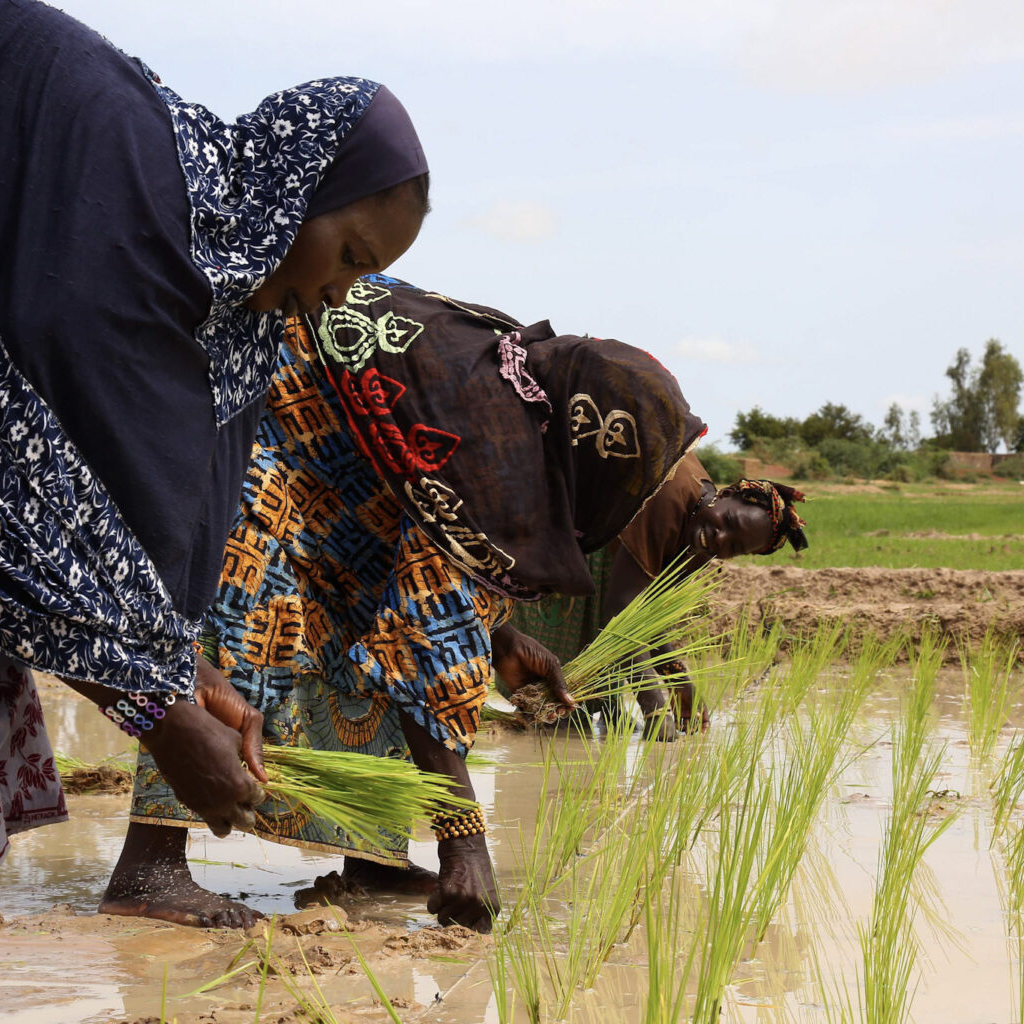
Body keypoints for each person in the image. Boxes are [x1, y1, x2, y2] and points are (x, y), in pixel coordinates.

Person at [0, 0, 428, 1020]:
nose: (338, 296)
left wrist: (181, 665)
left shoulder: (206, 266)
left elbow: (106, 501)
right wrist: (153, 708)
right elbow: (3, 480)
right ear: (296, 188)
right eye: (353, 256)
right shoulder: (130, 203)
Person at [103, 277, 709, 933]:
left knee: (372, 627)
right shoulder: (495, 447)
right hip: (246, 428)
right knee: (247, 611)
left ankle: (373, 857)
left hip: (326, 471)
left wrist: (501, 637)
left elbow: (424, 566)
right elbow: (429, 642)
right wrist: (465, 845)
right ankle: (147, 868)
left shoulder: (514, 399)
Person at [509, 455, 808, 739]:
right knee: (563, 690)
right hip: (562, 520)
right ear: (726, 494)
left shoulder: (703, 538)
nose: (721, 538)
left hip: (607, 555)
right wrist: (654, 707)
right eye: (729, 521)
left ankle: (594, 712)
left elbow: (647, 615)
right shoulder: (672, 494)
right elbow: (621, 614)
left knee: (586, 691)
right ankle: (553, 715)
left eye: (734, 548)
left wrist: (678, 681)